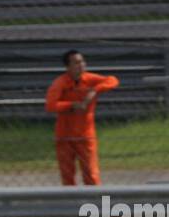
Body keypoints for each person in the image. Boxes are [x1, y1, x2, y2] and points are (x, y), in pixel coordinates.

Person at [45, 50, 120, 186]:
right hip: (65, 136)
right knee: (67, 175)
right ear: (68, 67)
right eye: (76, 63)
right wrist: (72, 105)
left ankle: (94, 203)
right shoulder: (60, 83)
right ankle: (70, 203)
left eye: (82, 61)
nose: (81, 65)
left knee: (91, 173)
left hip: (85, 136)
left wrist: (95, 90)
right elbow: (50, 105)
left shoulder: (89, 79)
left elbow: (113, 80)